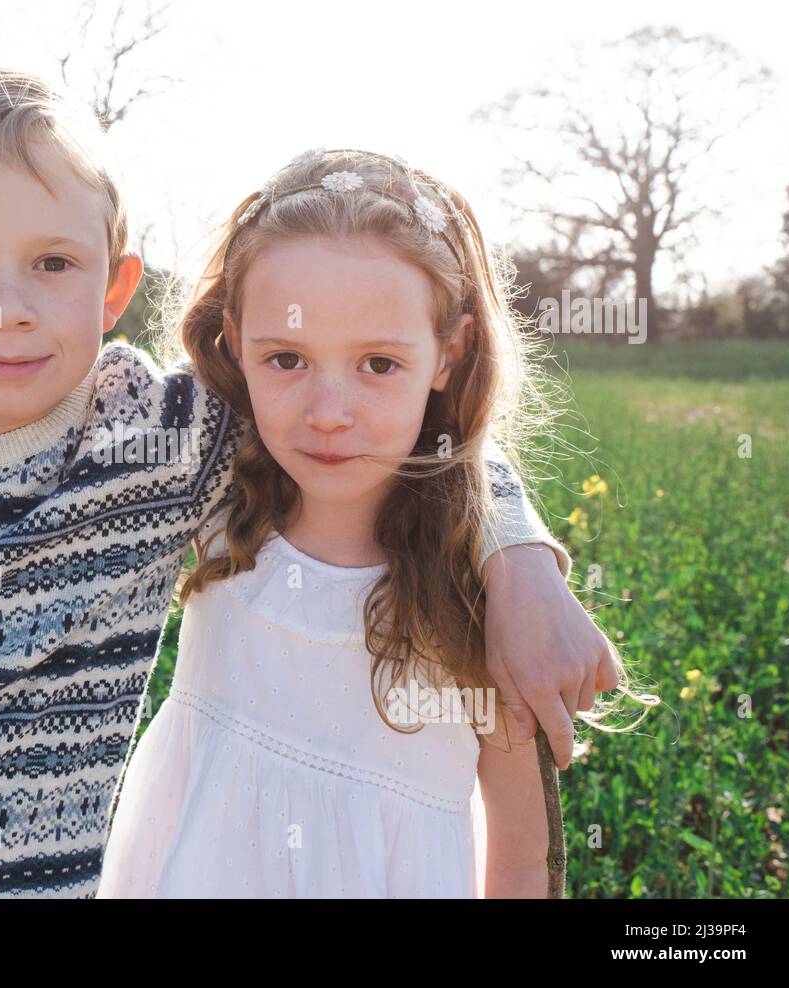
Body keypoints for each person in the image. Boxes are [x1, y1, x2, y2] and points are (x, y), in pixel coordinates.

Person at [0, 66, 613, 897]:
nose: (6, 308)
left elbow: (415, 428)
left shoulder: (162, 439)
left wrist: (520, 558)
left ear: (115, 287)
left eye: (54, 263)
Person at [92, 148, 656, 897]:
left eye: (379, 365)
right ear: (234, 340)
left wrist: (517, 556)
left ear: (447, 354)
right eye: (286, 358)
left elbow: (520, 858)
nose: (328, 413)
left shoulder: (475, 591)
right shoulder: (216, 498)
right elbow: (16, 394)